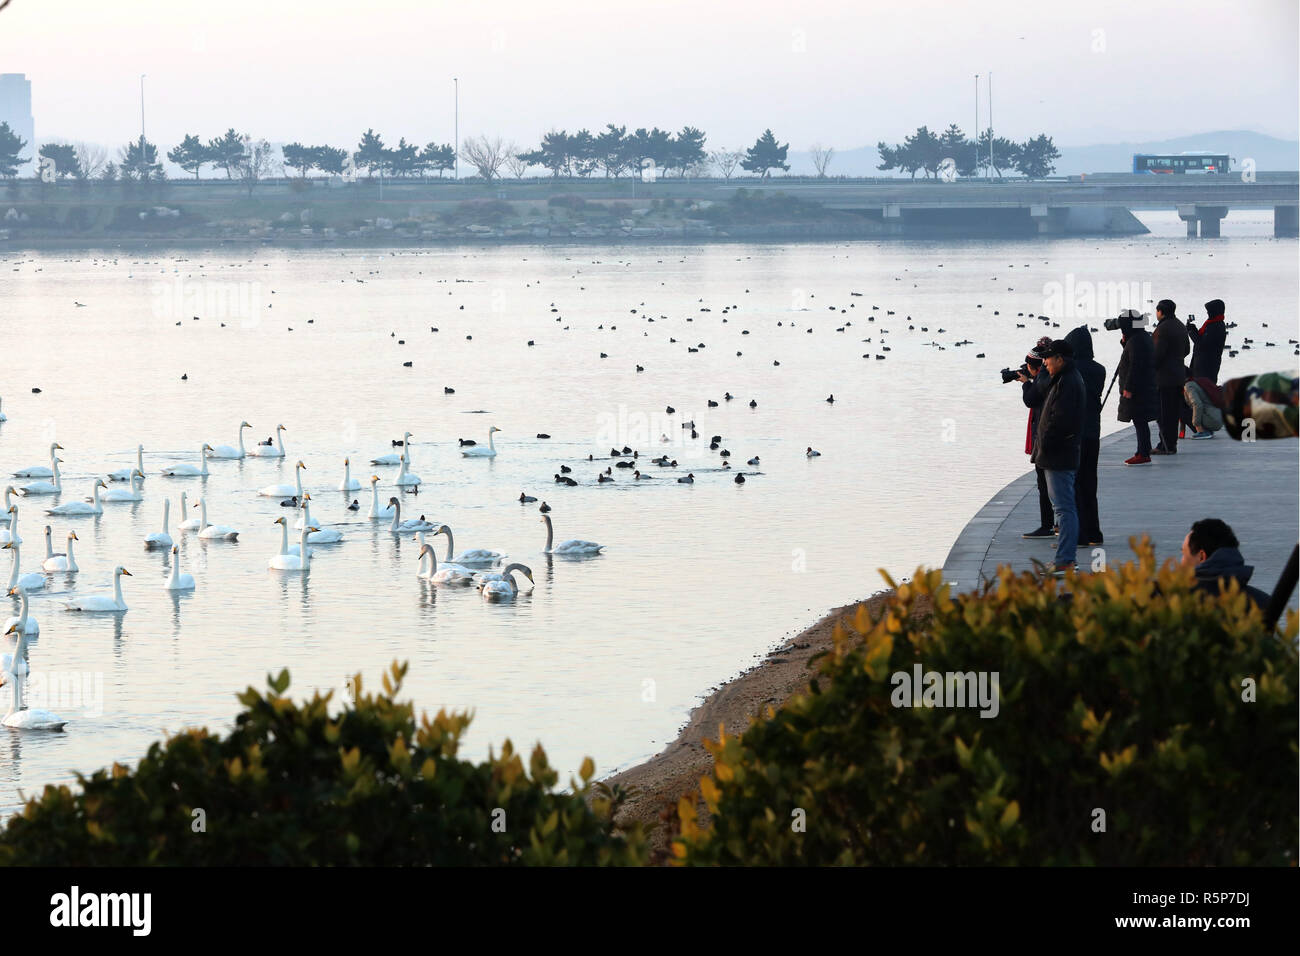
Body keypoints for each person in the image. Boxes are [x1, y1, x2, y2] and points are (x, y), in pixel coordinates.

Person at [1030, 339, 1085, 575]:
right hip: (1058, 454)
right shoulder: (1064, 378)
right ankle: (1065, 558)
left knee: (1064, 509)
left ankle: (1065, 560)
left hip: (1058, 456)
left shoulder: (1068, 382)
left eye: (1048, 358)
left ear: (1060, 359)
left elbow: (1059, 422)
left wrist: (1046, 446)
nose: (1045, 363)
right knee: (1064, 508)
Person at [1065, 325, 1105, 546]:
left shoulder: (1071, 371)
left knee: (1074, 485)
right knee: (1090, 484)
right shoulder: (1099, 369)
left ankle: (1078, 535)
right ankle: (1094, 533)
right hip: (1093, 432)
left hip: (1074, 434)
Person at [1180, 518, 1270, 610]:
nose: (1180, 563)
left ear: (1202, 556)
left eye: (1183, 554)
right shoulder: (1266, 603)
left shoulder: (1178, 602)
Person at [1017, 338, 1055, 539]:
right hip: (1052, 436)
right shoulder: (1053, 376)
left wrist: (1025, 384)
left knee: (1045, 483)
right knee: (1053, 483)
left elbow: (1030, 399)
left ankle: (1048, 525)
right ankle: (1054, 524)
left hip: (1045, 437)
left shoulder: (1042, 378)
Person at [1115, 309, 1158, 465]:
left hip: (1138, 390)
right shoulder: (1143, 337)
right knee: (1141, 420)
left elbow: (1136, 365)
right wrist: (1125, 343)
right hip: (1145, 386)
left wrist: (1129, 388)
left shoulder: (1136, 341)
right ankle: (1143, 450)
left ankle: (1143, 453)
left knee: (1139, 420)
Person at [1151, 298, 1190, 455]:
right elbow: (1187, 349)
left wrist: (1150, 368)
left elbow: (1157, 355)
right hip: (1178, 375)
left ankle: (1165, 445)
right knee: (1173, 412)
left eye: (1157, 311)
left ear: (1160, 312)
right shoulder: (1180, 325)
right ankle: (1171, 444)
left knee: (1163, 412)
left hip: (1164, 378)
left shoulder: (1163, 329)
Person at [1186, 298, 1228, 383]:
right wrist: (1193, 329)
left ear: (1215, 311)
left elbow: (1202, 345)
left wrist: (1191, 332)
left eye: (1209, 311)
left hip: (1207, 367)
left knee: (1204, 391)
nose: (1207, 313)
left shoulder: (1216, 326)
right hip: (1202, 365)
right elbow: (1203, 339)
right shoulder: (1211, 323)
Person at [1183, 375, 1224, 439]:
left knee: (1185, 410)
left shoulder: (1189, 386)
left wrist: (1197, 426)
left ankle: (1202, 432)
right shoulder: (1197, 382)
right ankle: (1208, 430)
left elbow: (1197, 405)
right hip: (1218, 417)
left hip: (1213, 420)